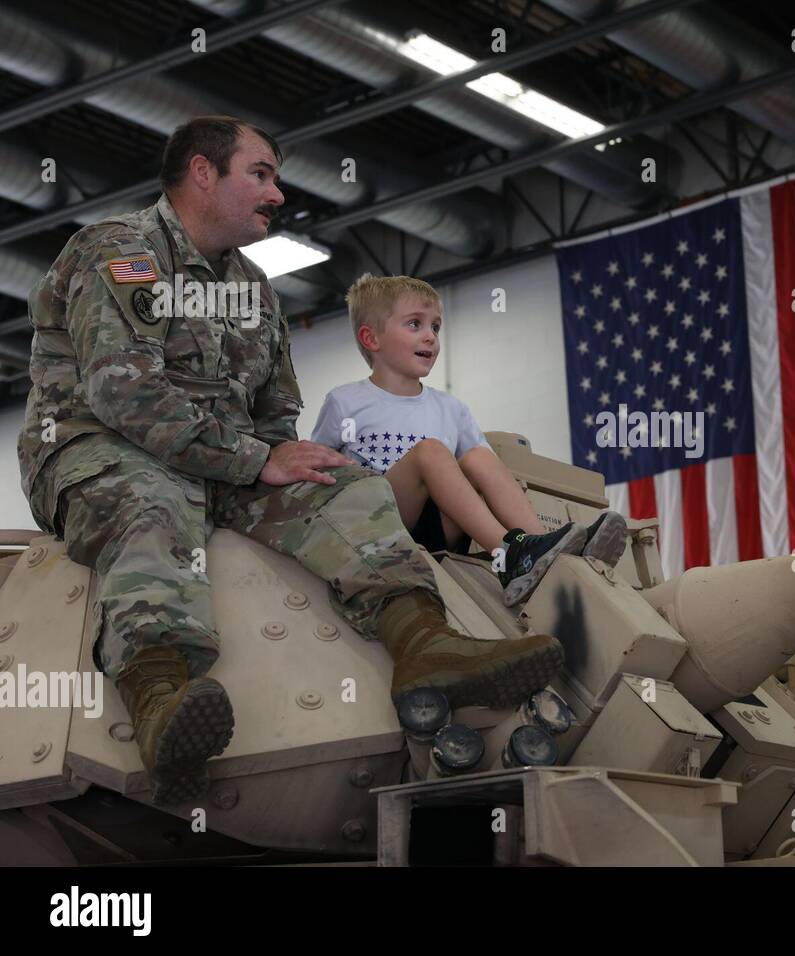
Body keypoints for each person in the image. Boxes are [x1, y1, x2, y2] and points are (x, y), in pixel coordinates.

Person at [17, 116, 564, 806]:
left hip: (223, 463)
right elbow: (124, 393)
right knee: (152, 503)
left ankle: (424, 644)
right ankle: (160, 697)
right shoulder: (121, 252)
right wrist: (252, 457)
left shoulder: (253, 287)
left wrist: (280, 457)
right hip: (101, 450)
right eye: (262, 175)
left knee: (345, 485)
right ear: (202, 173)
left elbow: (275, 415)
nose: (278, 194)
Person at [310, 273, 627, 607]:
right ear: (371, 338)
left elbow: (484, 476)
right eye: (415, 324)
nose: (430, 337)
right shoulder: (345, 402)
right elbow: (320, 470)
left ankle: (543, 548)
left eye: (436, 327)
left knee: (478, 456)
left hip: (436, 530)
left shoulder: (451, 408)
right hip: (380, 528)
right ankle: (510, 555)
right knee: (430, 451)